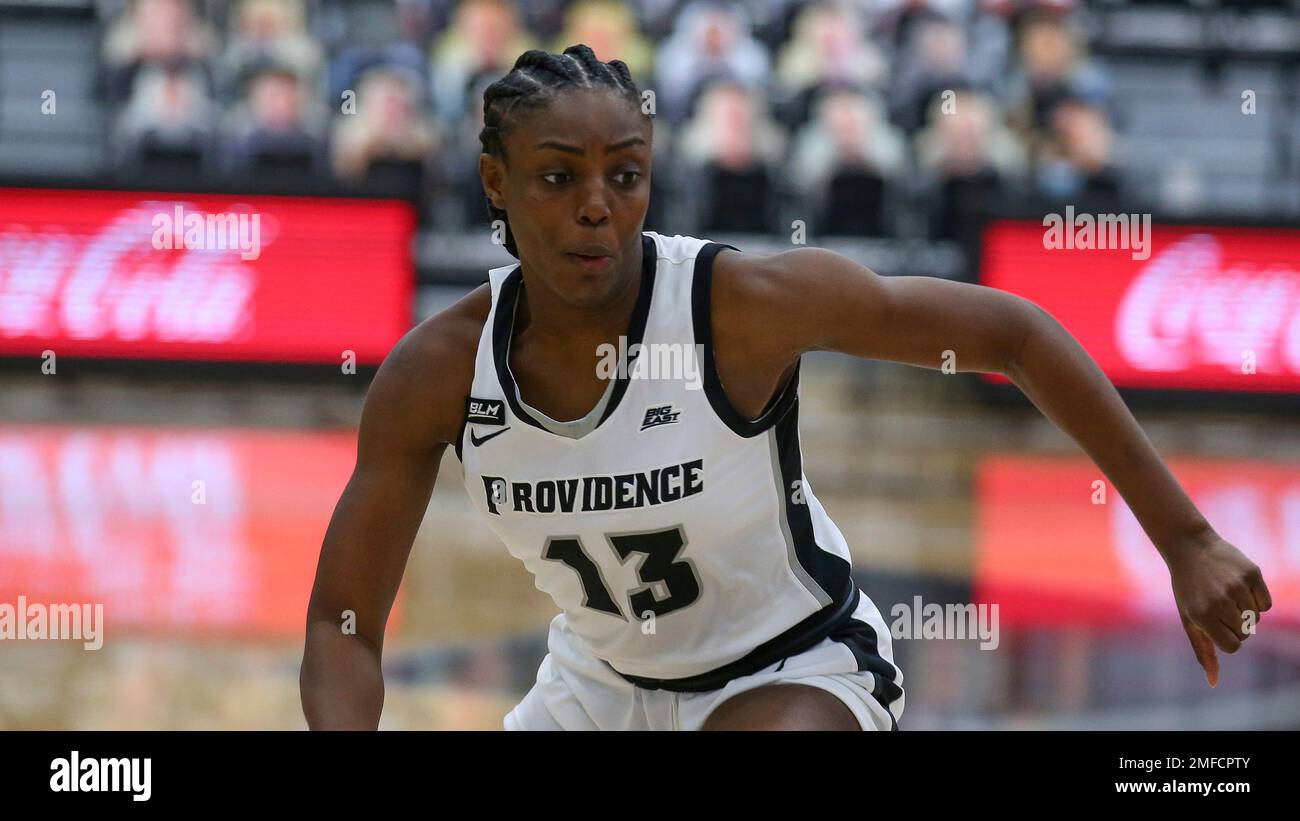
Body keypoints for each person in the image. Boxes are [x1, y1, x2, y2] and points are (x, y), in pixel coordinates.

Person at [300, 45, 1271, 731]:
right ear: (494, 183)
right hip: (595, 684)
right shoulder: (434, 374)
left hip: (793, 664)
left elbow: (1011, 333)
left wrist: (1185, 537)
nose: (598, 204)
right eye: (558, 178)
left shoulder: (741, 306)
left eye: (625, 175)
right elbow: (341, 622)